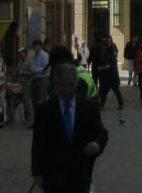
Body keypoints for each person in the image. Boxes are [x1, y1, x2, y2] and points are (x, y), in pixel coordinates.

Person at [31, 63, 108, 193]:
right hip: (53, 176)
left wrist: (97, 144)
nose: (67, 89)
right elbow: (38, 143)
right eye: (63, 85)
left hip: (80, 174)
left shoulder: (88, 107)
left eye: (71, 85)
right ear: (56, 85)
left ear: (76, 84)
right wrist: (37, 173)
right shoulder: (44, 110)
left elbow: (102, 133)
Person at [90, 37, 125, 124]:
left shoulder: (109, 57)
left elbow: (107, 66)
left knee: (106, 92)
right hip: (113, 78)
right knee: (114, 91)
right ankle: (119, 103)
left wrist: (100, 68)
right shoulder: (113, 57)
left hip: (109, 78)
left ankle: (102, 105)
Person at [30, 39, 51, 107]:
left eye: (36, 46)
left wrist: (35, 70)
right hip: (35, 78)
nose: (35, 47)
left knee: (42, 99)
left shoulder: (44, 55)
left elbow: (46, 68)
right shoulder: (35, 55)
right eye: (34, 46)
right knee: (34, 98)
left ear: (40, 46)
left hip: (42, 79)